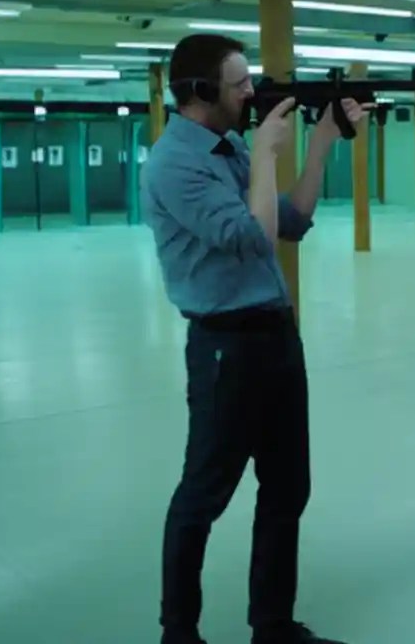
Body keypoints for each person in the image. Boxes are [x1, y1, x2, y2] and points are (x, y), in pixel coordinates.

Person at [141, 33, 365, 644]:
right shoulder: (174, 163)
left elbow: (290, 221)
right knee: (203, 496)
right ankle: (178, 631)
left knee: (288, 486)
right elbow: (252, 236)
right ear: (199, 93)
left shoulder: (228, 146)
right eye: (239, 83)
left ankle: (272, 624)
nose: (251, 91)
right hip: (224, 349)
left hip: (274, 337)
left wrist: (319, 143)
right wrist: (264, 154)